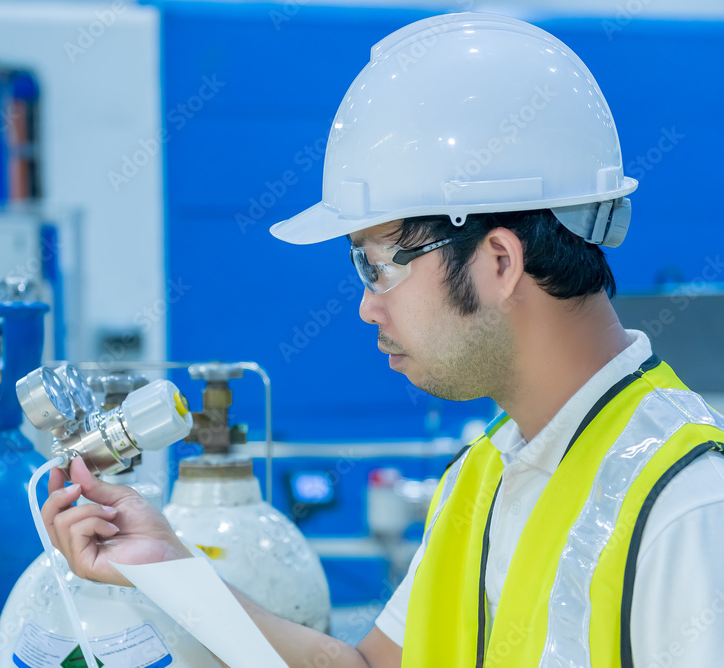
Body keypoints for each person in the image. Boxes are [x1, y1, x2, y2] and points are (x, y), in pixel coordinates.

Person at [42, 13, 724, 667]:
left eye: (379, 264)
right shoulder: (484, 476)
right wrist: (167, 567)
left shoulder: (686, 509)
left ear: (499, 262)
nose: (367, 307)